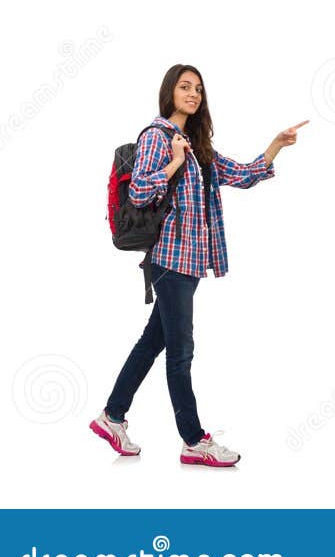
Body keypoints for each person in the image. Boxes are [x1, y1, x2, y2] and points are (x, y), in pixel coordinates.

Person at [90, 64, 307, 468]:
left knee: (152, 343)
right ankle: (193, 439)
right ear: (169, 91)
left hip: (190, 262)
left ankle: (111, 416)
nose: (193, 94)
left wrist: (276, 144)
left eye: (199, 89)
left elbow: (242, 175)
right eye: (185, 86)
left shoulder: (197, 144)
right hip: (170, 257)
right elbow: (138, 192)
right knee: (181, 352)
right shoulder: (159, 137)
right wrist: (173, 160)